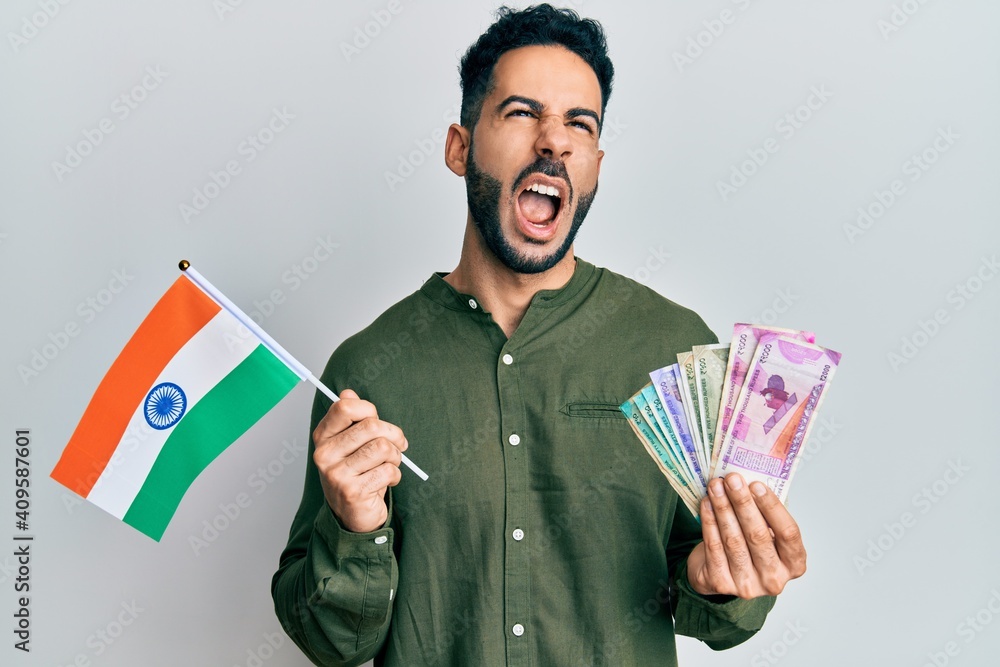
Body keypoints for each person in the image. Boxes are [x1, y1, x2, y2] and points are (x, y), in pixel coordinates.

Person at [271, 5, 806, 666]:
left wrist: (723, 581)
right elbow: (330, 640)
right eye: (522, 113)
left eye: (579, 123)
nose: (553, 141)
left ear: (596, 166)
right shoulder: (366, 372)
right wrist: (357, 527)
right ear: (459, 146)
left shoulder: (676, 349)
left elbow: (720, 616)